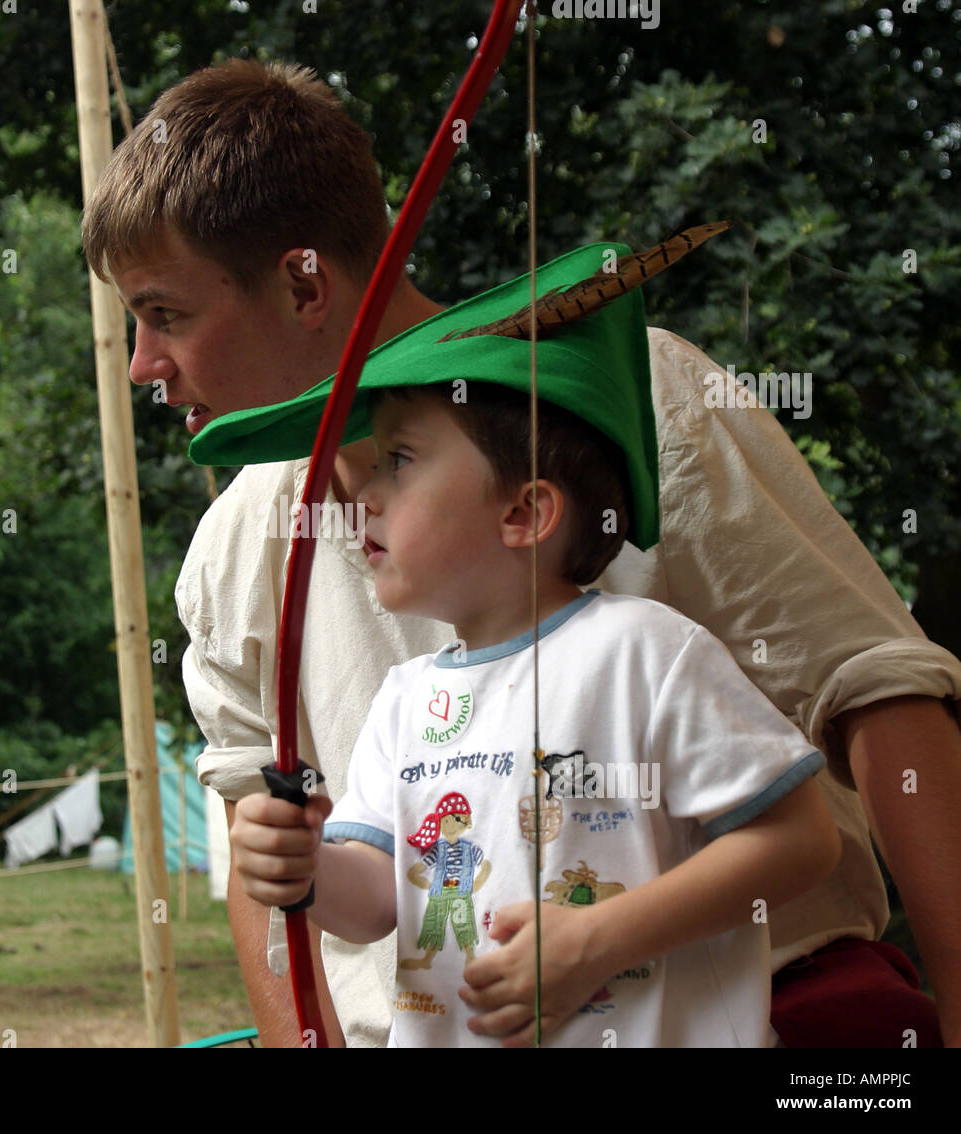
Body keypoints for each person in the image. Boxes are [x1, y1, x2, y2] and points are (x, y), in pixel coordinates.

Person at [80, 58, 960, 1048]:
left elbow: (878, 694)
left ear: (303, 281)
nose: (143, 368)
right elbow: (274, 863)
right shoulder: (237, 543)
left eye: (165, 315)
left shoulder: (638, 402)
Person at [208, 242, 843, 1046]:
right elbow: (373, 898)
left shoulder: (648, 654)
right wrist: (303, 870)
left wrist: (596, 938)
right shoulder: (404, 702)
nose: (362, 490)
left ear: (524, 512)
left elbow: (800, 840)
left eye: (400, 460)